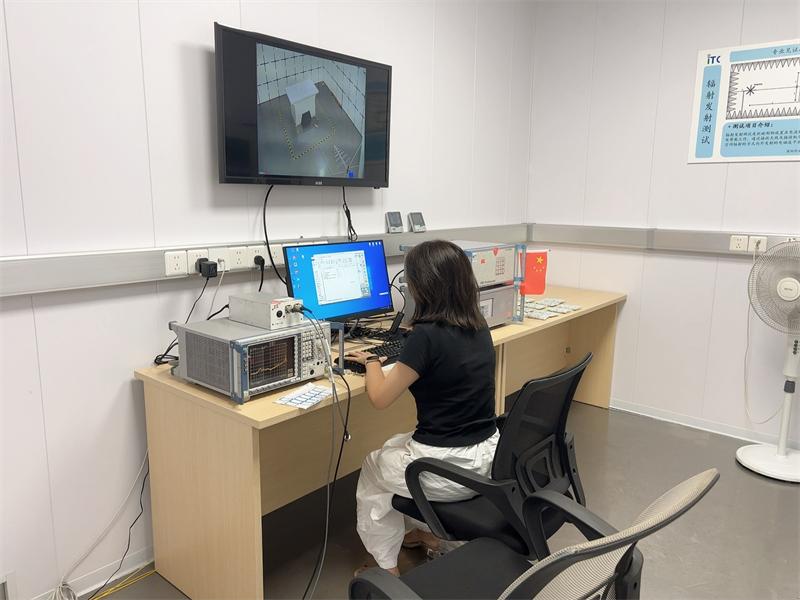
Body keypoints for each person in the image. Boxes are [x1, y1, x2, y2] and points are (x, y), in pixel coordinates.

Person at [345, 239, 499, 576]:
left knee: (372, 467)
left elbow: (380, 398)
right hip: (487, 460)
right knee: (393, 446)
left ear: (422, 286)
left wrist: (372, 361)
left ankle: (386, 570)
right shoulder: (478, 325)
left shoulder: (426, 337)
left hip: (448, 472)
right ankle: (430, 534)